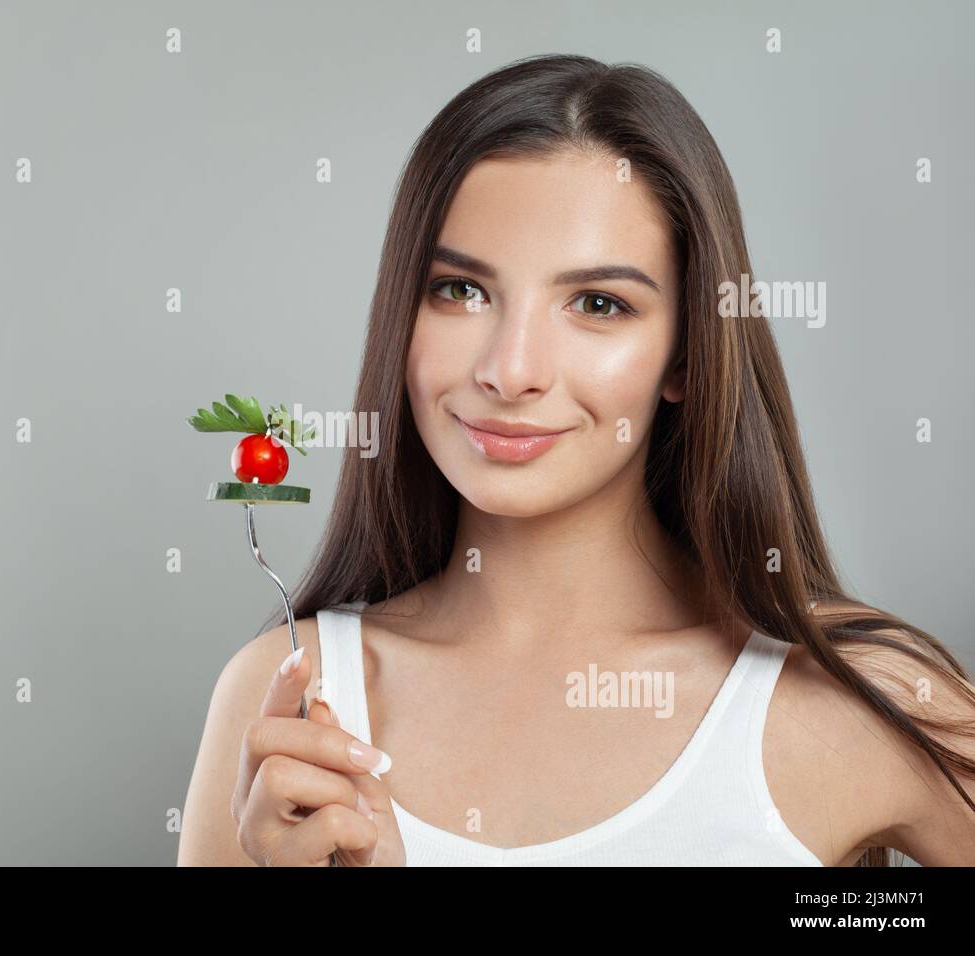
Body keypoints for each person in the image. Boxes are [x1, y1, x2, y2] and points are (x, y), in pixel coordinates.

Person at [176, 54, 975, 866]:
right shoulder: (285, 701)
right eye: (460, 290)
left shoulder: (862, 700)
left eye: (598, 304)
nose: (509, 369)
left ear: (688, 357)